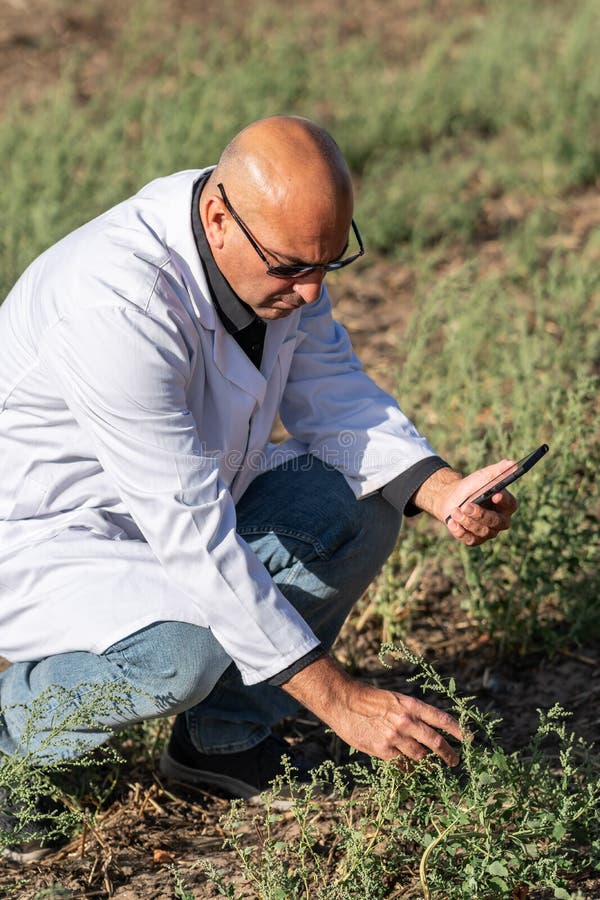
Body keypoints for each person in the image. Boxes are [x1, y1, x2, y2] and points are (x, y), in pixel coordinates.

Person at [0, 115, 517, 861]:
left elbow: (334, 392)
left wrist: (442, 490)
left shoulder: (278, 247)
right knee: (188, 644)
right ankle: (18, 737)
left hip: (172, 503)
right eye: (293, 268)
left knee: (361, 501)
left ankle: (221, 739)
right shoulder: (116, 302)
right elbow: (193, 537)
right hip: (45, 536)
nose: (311, 292)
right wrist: (342, 703)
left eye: (328, 264)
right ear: (218, 219)